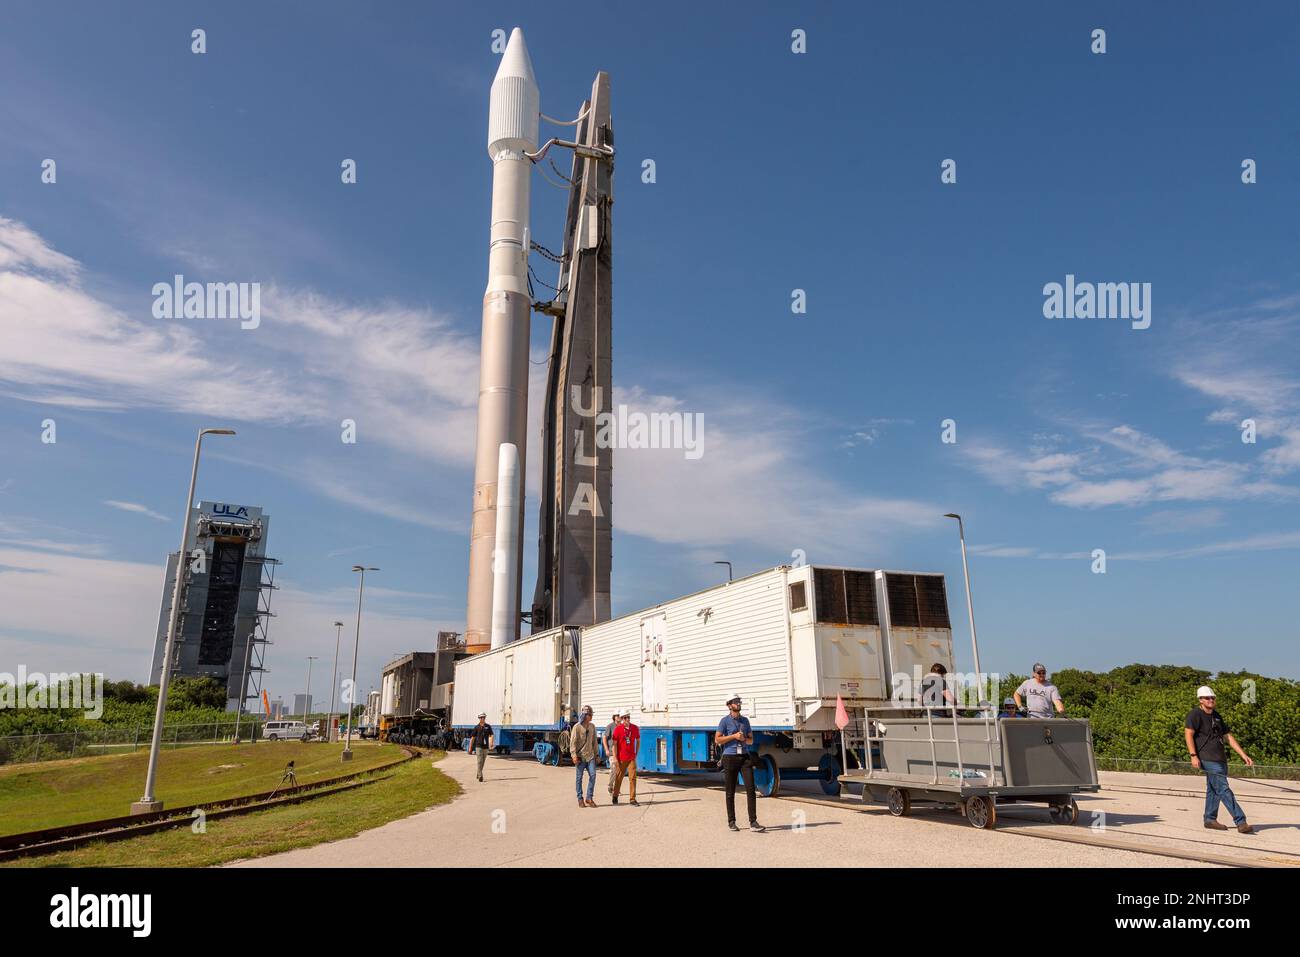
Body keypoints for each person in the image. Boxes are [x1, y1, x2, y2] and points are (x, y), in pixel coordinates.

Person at [1185, 686, 1254, 834]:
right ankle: (1241, 821)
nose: (1211, 700)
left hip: (1220, 758)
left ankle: (1209, 819)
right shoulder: (1195, 714)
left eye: (1213, 698)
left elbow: (1228, 737)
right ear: (1201, 700)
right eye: (1208, 698)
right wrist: (1193, 756)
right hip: (1207, 758)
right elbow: (1188, 734)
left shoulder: (1217, 716)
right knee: (1223, 788)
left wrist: (1243, 754)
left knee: (1213, 790)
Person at [715, 695, 765, 832]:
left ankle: (753, 822)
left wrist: (743, 739)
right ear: (729, 705)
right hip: (729, 758)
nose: (738, 704)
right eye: (736, 702)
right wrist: (733, 736)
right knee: (730, 791)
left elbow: (751, 741)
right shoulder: (724, 721)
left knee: (750, 789)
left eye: (739, 702)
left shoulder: (745, 721)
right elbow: (717, 739)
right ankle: (731, 822)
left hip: (744, 757)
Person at [570, 705, 599, 808]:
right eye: (590, 715)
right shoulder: (577, 727)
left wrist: (597, 754)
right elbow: (573, 743)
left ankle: (589, 798)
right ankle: (580, 798)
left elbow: (594, 741)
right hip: (580, 757)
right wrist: (574, 756)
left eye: (591, 715)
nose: (591, 717)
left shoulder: (592, 726)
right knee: (579, 778)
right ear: (585, 715)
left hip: (590, 756)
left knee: (593, 775)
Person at [611, 709, 640, 806]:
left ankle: (632, 799)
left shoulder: (635, 728)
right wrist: (615, 757)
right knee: (619, 778)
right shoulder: (618, 729)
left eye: (628, 717)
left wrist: (636, 753)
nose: (626, 719)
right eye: (624, 718)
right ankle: (615, 795)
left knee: (632, 778)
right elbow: (614, 745)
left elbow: (638, 740)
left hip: (631, 757)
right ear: (621, 719)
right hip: (621, 758)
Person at [468, 712, 493, 782]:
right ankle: (480, 776)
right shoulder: (476, 727)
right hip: (478, 746)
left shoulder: (488, 726)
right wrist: (470, 747)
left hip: (486, 747)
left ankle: (478, 773)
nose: (483, 718)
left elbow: (491, 735)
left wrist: (491, 743)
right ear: (479, 718)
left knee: (483, 762)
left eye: (484, 717)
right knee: (479, 761)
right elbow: (472, 738)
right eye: (481, 717)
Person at [603, 711, 619, 794]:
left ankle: (616, 788)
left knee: (619, 771)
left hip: (621, 753)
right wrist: (606, 749)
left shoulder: (622, 726)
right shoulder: (610, 726)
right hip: (612, 753)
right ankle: (610, 786)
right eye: (617, 715)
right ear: (614, 717)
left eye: (620, 715)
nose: (619, 717)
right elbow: (604, 738)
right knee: (613, 770)